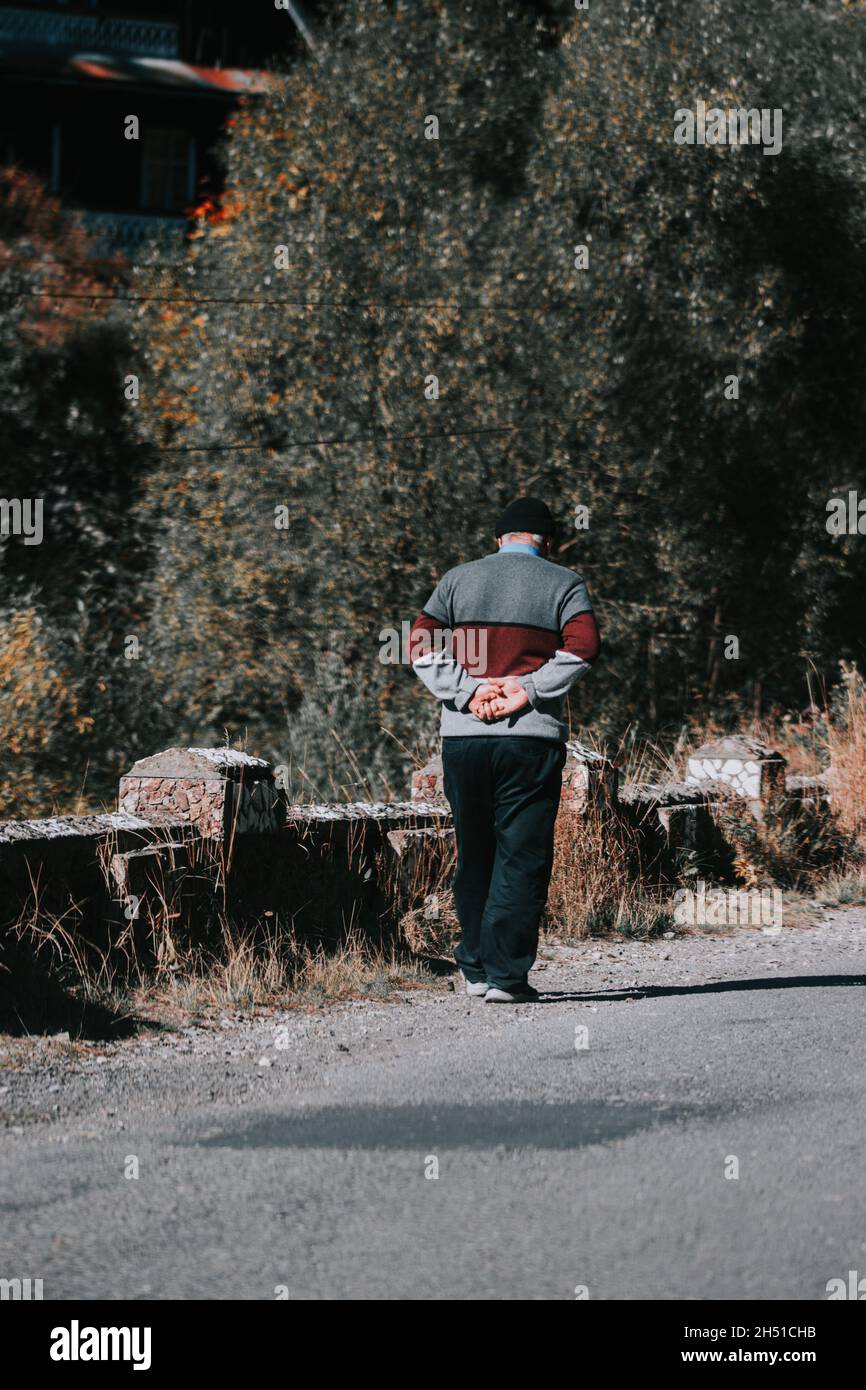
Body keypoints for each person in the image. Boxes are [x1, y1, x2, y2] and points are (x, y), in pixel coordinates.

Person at [410, 496, 601, 1002]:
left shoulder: (456, 579)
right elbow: (583, 647)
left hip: (464, 738)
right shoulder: (565, 583)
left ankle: (473, 969)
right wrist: (528, 690)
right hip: (530, 739)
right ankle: (506, 976)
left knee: (476, 850)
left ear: (498, 539)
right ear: (547, 541)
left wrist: (468, 691)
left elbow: (420, 645)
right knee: (522, 853)